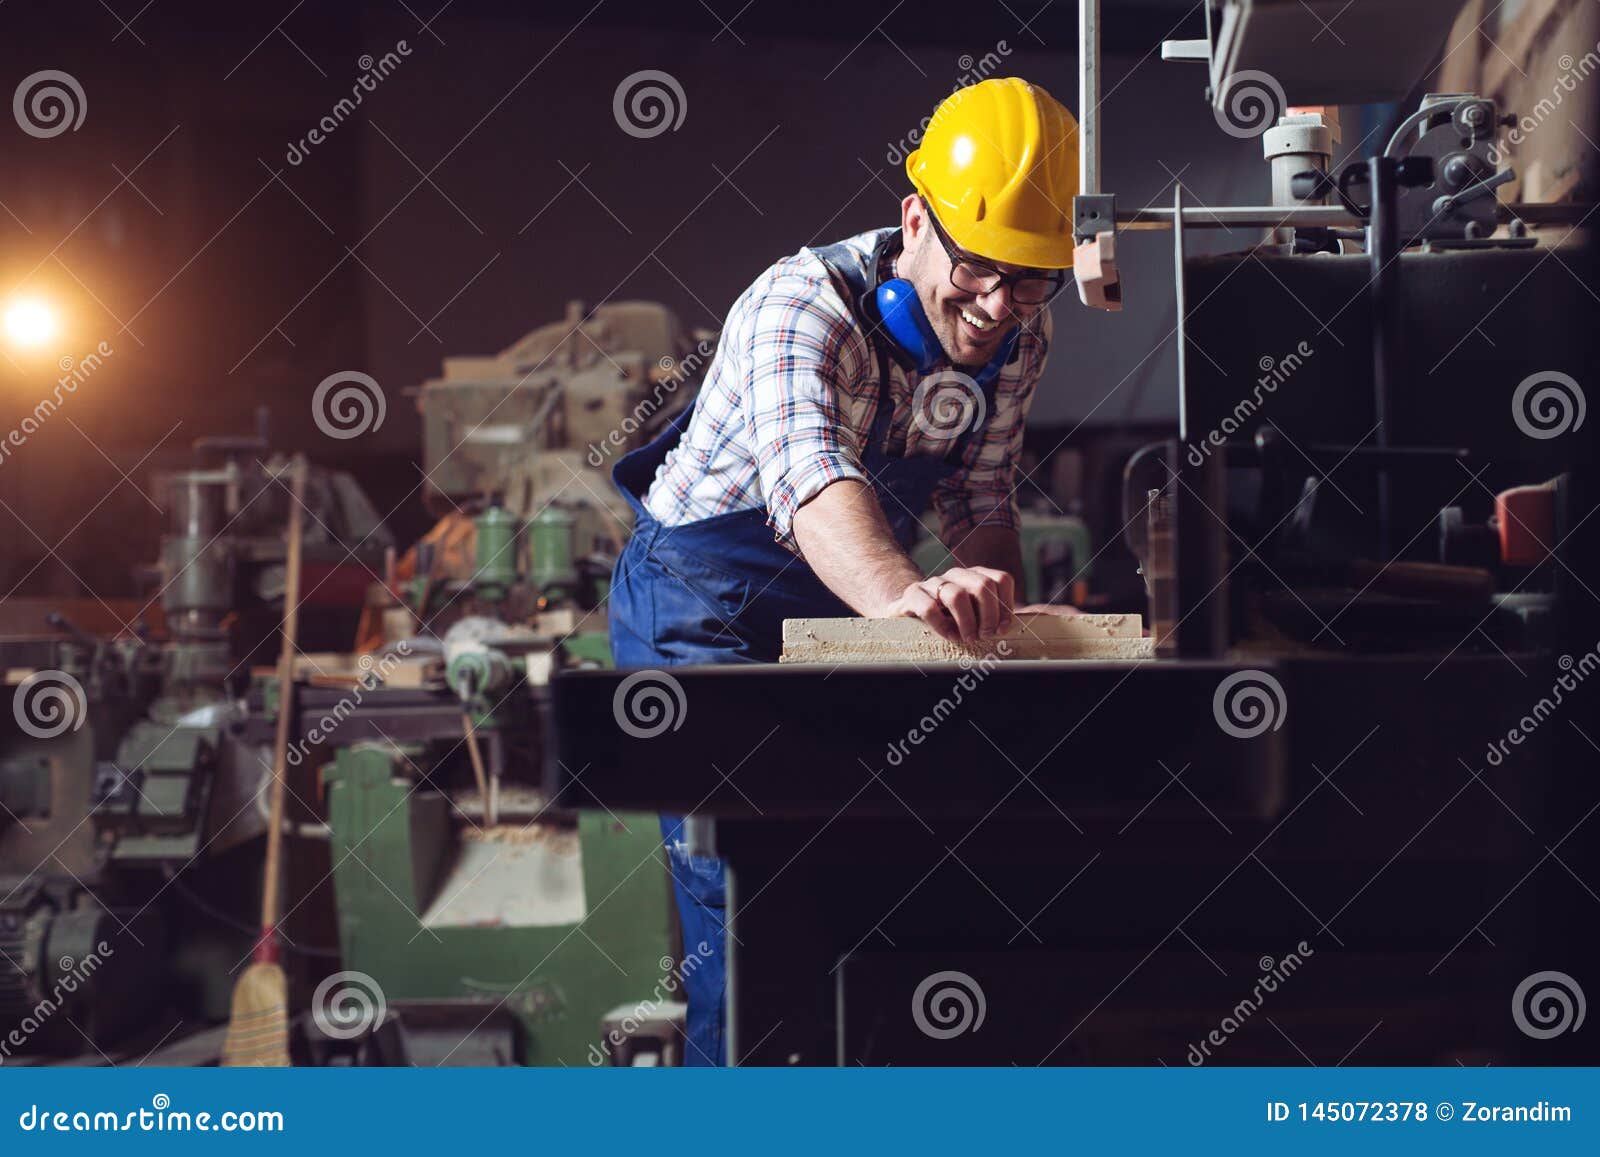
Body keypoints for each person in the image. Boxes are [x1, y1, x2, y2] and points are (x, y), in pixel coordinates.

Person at [608, 77, 1081, 1065]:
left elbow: (978, 497)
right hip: (701, 606)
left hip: (850, 597)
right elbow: (814, 486)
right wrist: (910, 598)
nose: (1000, 307)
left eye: (1033, 277)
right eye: (984, 270)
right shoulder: (798, 306)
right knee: (743, 900)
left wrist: (994, 610)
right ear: (916, 219)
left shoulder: (1020, 325)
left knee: (879, 872)